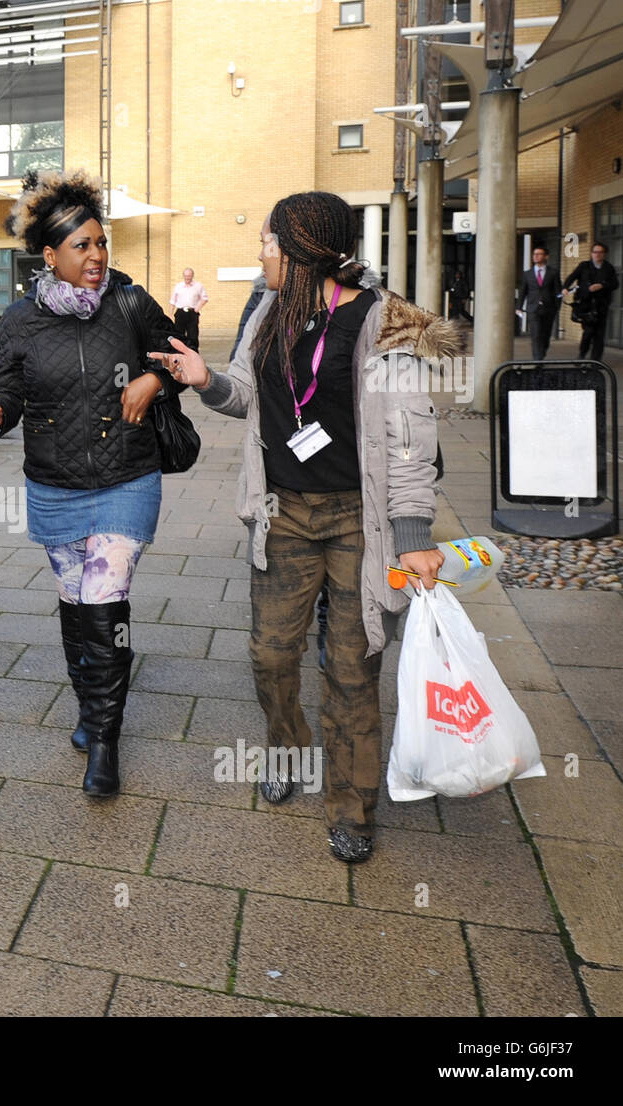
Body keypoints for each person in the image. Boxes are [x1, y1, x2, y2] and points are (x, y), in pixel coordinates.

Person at [154, 190, 452, 863]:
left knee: (353, 666)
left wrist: (413, 536)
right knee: (271, 654)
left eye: (267, 242)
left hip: (359, 520)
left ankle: (351, 805)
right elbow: (245, 397)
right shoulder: (267, 309)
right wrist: (204, 381)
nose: (259, 252)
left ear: (302, 249)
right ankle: (288, 751)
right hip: (282, 511)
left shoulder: (385, 322)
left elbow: (410, 437)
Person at [0, 169, 183, 799]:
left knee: (103, 599)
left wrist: (158, 380)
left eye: (100, 243)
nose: (95, 257)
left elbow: (181, 350)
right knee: (75, 602)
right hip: (56, 483)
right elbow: (7, 390)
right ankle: (89, 713)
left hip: (127, 476)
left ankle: (106, 738)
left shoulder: (129, 302)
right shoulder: (21, 320)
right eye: (80, 247)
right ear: (49, 255)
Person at [564, 242, 619, 362]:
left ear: (604, 254)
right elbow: (572, 277)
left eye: (600, 252)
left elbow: (615, 284)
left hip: (601, 306)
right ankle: (582, 354)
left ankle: (596, 360)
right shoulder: (584, 266)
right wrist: (565, 287)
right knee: (588, 332)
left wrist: (602, 285)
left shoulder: (608, 268)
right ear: (591, 253)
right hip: (586, 305)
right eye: (595, 252)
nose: (597, 255)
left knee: (599, 334)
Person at [517, 246, 561, 361]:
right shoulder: (527, 274)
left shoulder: (553, 273)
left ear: (546, 256)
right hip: (533, 308)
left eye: (539, 254)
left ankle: (542, 353)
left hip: (549, 308)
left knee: (545, 335)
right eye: (534, 254)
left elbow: (558, 291)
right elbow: (523, 291)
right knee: (536, 334)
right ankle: (538, 359)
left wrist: (557, 306)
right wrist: (519, 307)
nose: (535, 256)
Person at [169, 266, 208, 350]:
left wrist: (197, 308)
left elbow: (204, 298)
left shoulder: (198, 286)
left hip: (192, 313)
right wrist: (170, 314)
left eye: (189, 276)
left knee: (193, 335)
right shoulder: (178, 286)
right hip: (180, 313)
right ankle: (179, 352)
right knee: (179, 335)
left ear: (192, 276)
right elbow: (173, 301)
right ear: (183, 276)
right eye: (186, 276)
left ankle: (194, 353)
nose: (187, 278)